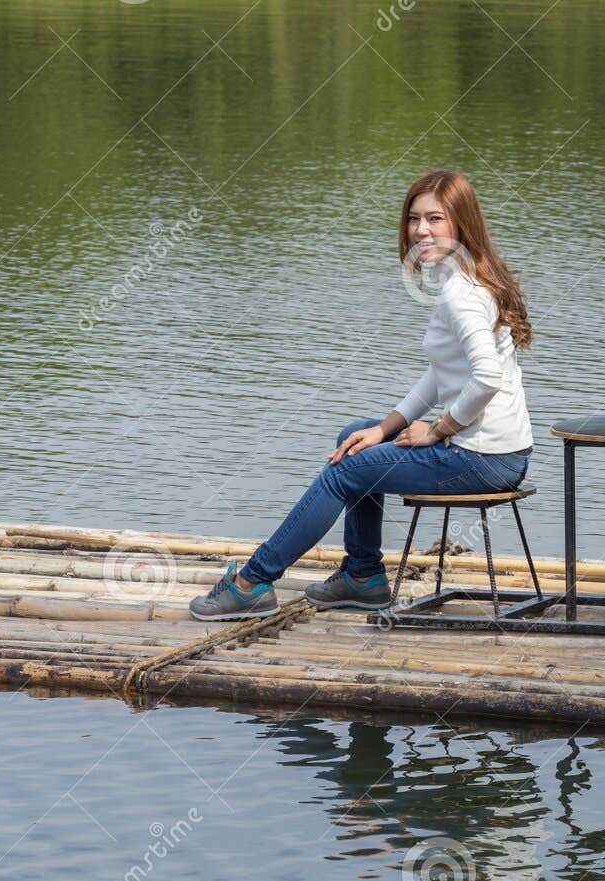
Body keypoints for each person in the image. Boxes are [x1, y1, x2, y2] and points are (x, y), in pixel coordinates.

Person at [189, 169, 534, 621]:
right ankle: (363, 576)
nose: (421, 230)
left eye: (436, 219)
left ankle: (252, 582)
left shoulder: (461, 294)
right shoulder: (468, 276)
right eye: (414, 218)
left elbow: (486, 379)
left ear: (461, 224)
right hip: (501, 454)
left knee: (344, 471)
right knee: (355, 436)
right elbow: (440, 375)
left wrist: (436, 430)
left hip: (480, 459)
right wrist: (385, 428)